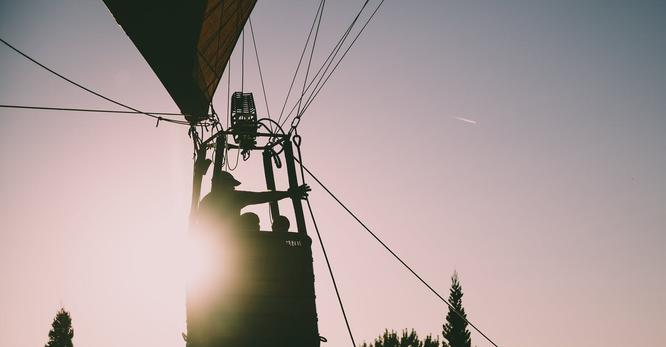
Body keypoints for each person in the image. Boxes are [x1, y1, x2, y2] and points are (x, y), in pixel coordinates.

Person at [198, 171, 310, 230]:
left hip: (217, 243)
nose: (233, 188)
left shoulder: (206, 200)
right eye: (231, 185)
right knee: (251, 219)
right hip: (230, 242)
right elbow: (260, 197)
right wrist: (288, 194)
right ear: (223, 184)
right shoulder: (230, 198)